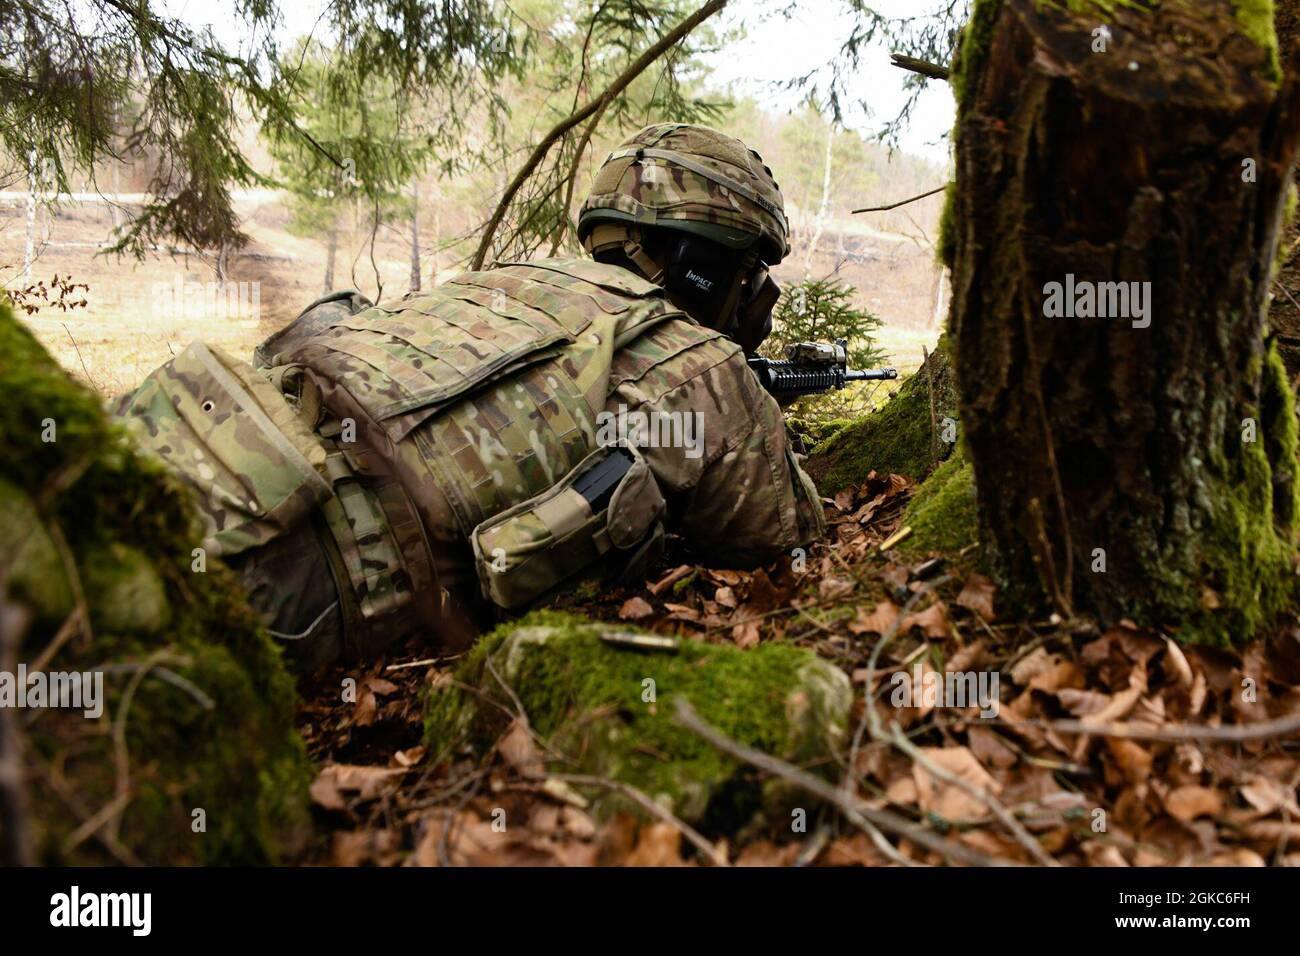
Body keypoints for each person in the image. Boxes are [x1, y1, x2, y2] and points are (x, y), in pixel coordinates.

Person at [114, 123, 825, 669]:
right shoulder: (696, 362)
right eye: (752, 270)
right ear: (708, 262)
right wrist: (748, 404)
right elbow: (779, 537)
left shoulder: (504, 282)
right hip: (298, 562)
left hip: (189, 455)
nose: (755, 293)